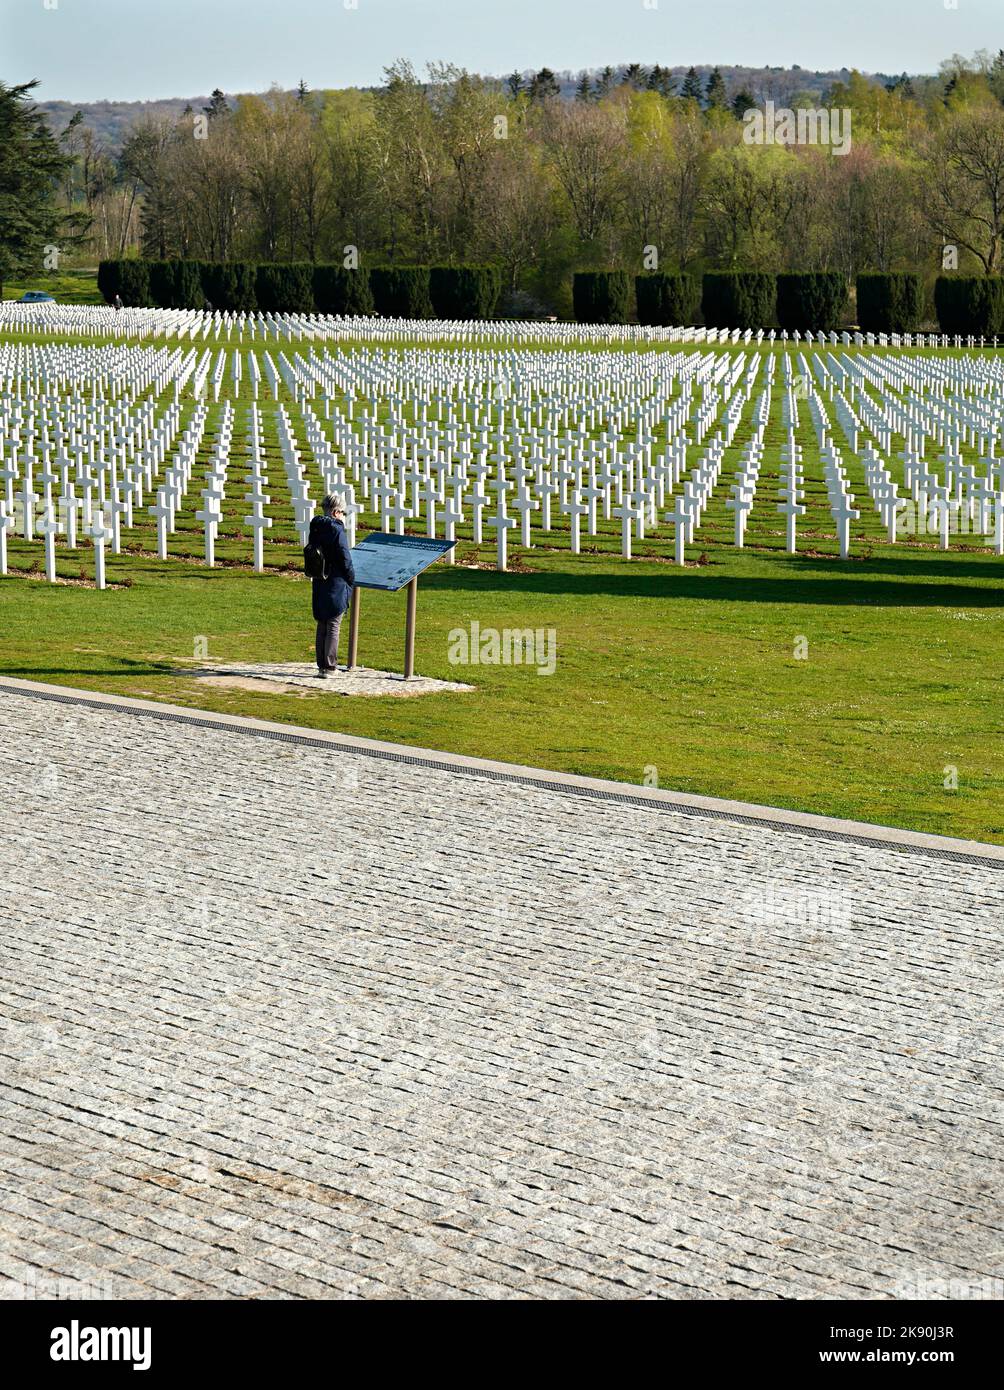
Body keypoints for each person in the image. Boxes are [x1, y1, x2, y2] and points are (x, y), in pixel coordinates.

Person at [308, 494, 355, 678]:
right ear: (336, 512)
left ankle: (321, 665)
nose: (343, 516)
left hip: (320, 577)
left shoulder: (316, 526)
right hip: (336, 580)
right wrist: (351, 577)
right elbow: (344, 556)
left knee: (322, 624)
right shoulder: (336, 530)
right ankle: (330, 666)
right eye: (342, 512)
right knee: (334, 623)